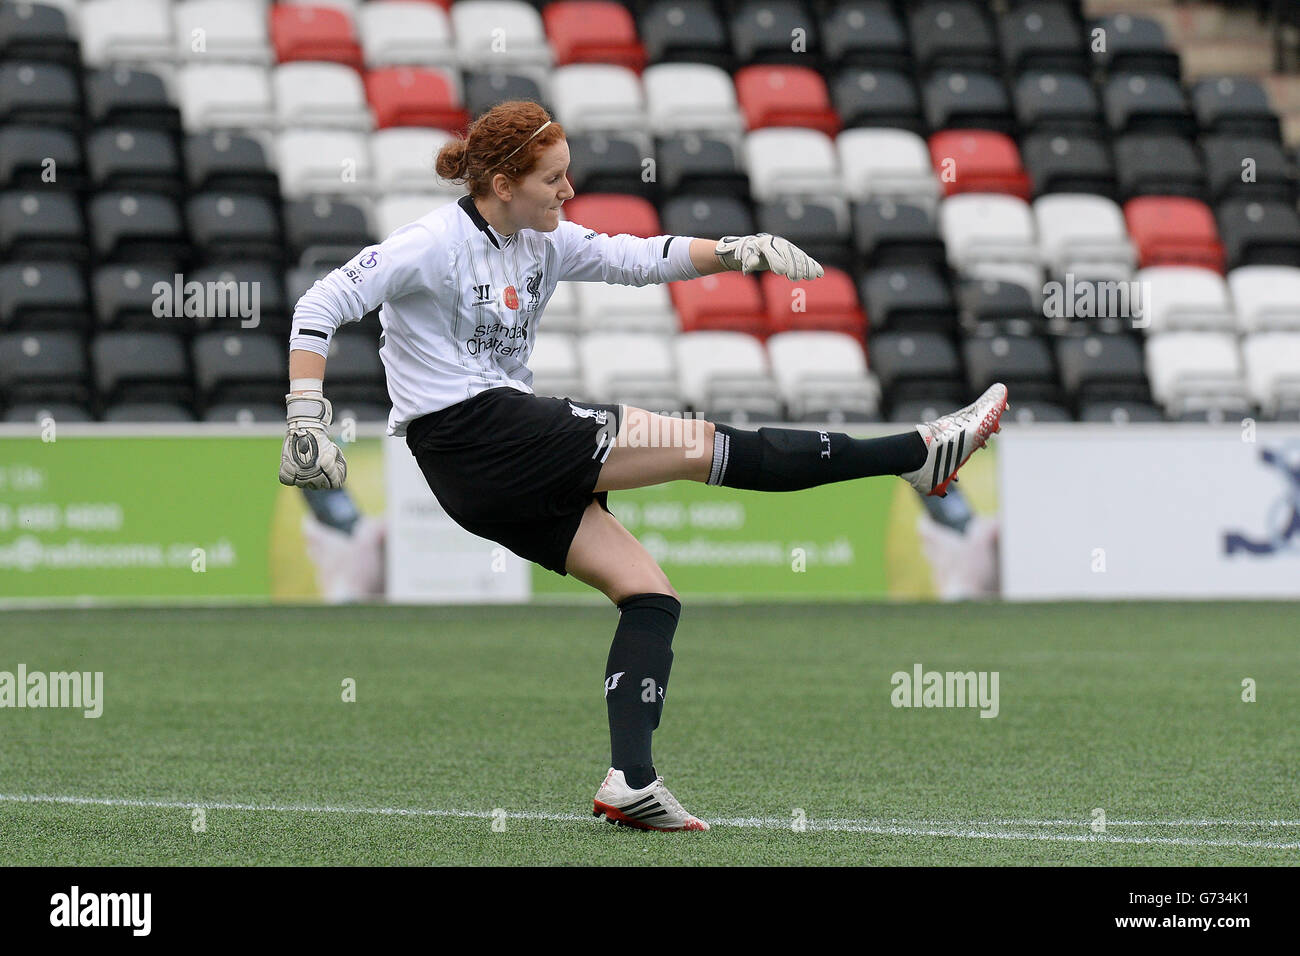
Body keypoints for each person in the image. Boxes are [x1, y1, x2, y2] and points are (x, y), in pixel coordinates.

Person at [279, 100, 1008, 832]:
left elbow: (635, 257)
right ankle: (916, 455)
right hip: (476, 435)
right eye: (553, 179)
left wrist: (734, 249)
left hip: (484, 473)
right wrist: (305, 414)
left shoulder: (544, 241)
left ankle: (630, 779)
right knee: (703, 445)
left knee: (650, 595)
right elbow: (322, 299)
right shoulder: (430, 242)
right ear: (502, 183)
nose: (568, 192)